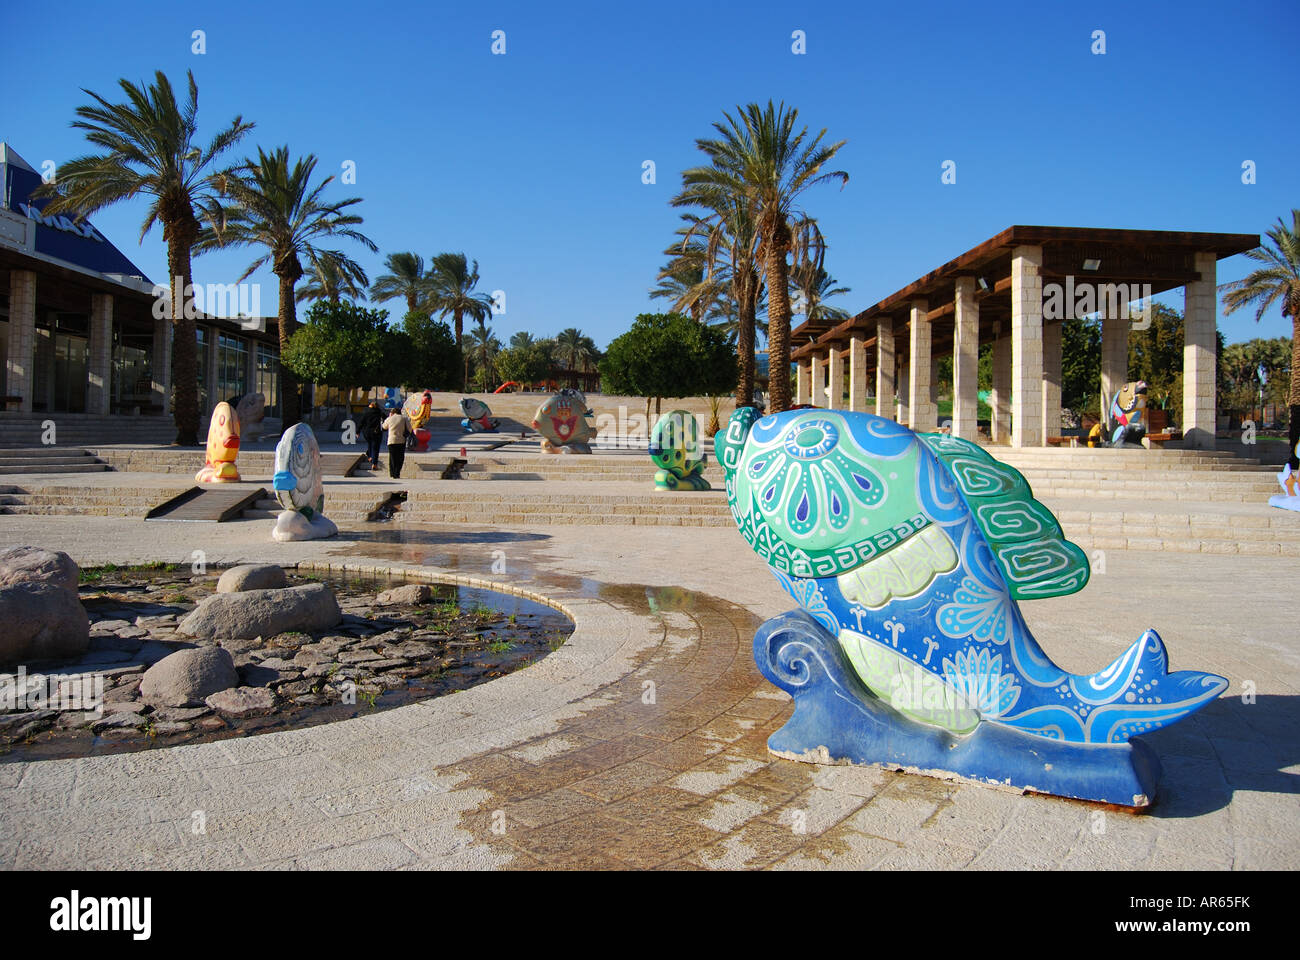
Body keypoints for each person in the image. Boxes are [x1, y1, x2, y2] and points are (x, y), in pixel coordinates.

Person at [381, 401, 411, 479]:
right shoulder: (404, 419)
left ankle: (392, 473)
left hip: (391, 441)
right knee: (400, 457)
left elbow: (384, 427)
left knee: (392, 457)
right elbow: (410, 429)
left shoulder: (389, 418)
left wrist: (389, 417)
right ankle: (397, 472)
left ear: (393, 413)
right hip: (401, 441)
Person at [357, 400, 383, 470]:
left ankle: (370, 456)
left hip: (367, 432)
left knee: (370, 443)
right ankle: (374, 463)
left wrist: (358, 432)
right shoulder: (379, 412)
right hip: (376, 432)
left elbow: (361, 422)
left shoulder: (366, 413)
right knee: (375, 447)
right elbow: (386, 419)